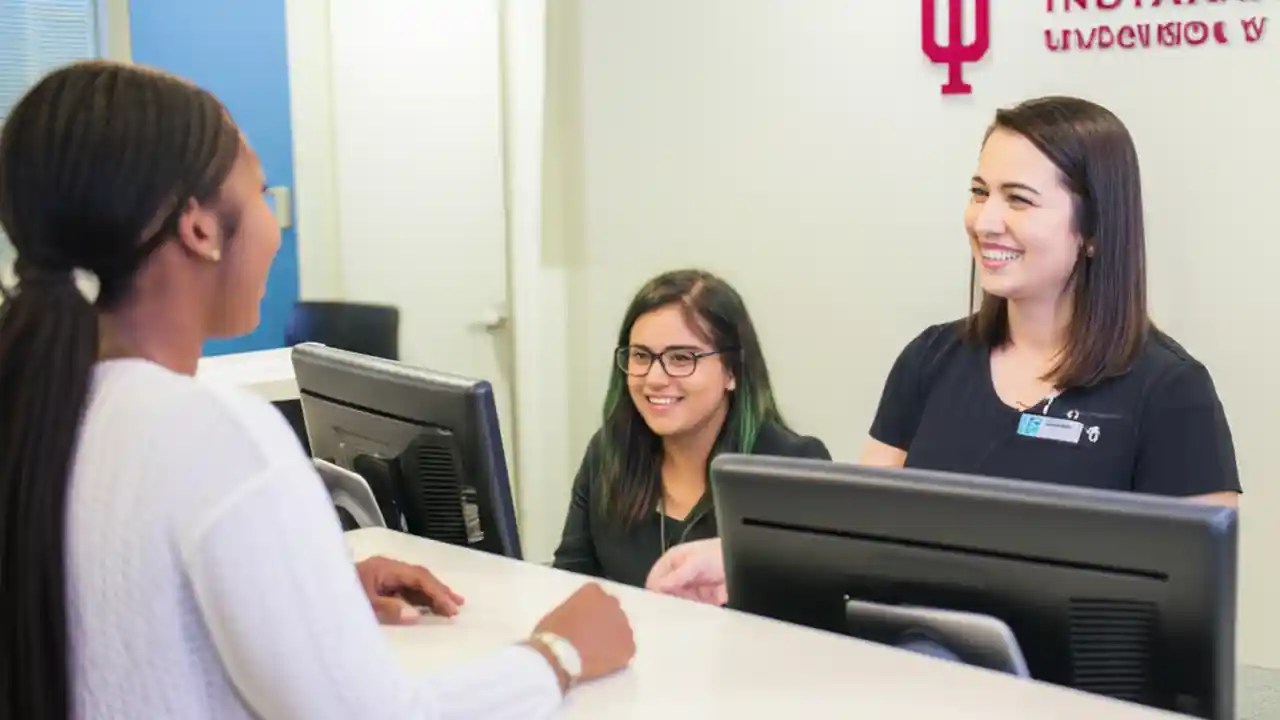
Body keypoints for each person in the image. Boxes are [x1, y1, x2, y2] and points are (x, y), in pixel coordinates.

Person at [0, 61, 633, 720]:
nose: (274, 232)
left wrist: (295, 599)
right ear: (200, 228)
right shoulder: (213, 434)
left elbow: (117, 622)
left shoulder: (46, 409)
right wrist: (558, 654)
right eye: (263, 195)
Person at [646, 95, 1241, 603]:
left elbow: (1190, 616)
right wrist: (740, 558)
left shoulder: (1170, 392)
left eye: (1019, 198)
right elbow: (848, 532)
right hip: (924, 673)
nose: (985, 220)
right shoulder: (931, 360)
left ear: (1092, 230)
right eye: (980, 191)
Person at [553, 269, 830, 587]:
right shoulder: (610, 451)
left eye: (682, 358)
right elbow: (571, 578)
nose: (654, 378)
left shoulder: (792, 466)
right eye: (641, 356)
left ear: (732, 372)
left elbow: (820, 607)